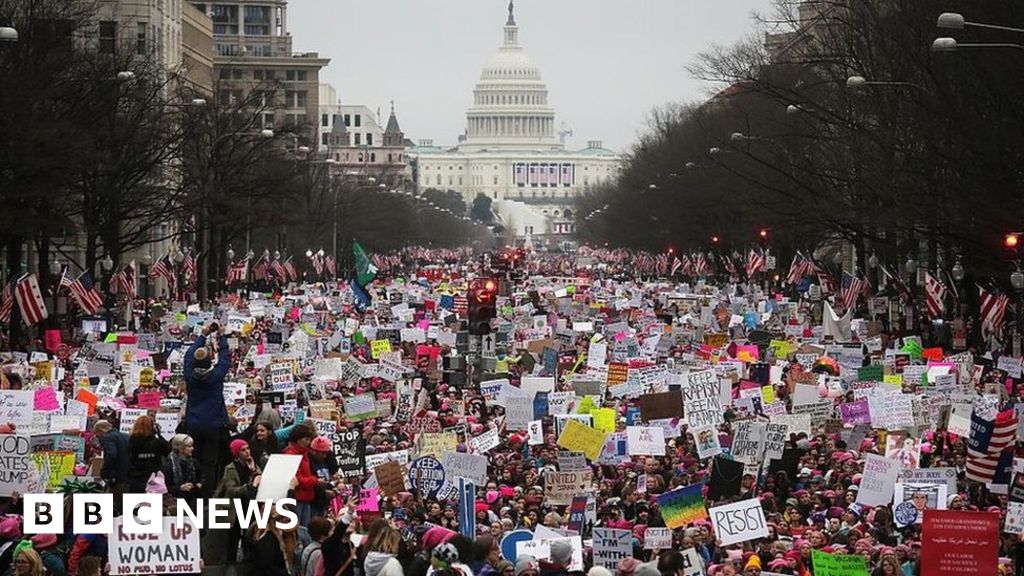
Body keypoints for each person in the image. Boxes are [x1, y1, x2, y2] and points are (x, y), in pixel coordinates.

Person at [184, 322, 232, 496]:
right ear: (209, 362)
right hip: (213, 424)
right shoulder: (216, 376)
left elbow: (188, 356)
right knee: (210, 463)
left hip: (194, 423)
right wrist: (222, 336)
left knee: (193, 458)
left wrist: (202, 335)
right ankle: (207, 492)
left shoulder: (189, 375)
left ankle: (193, 489)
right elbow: (225, 359)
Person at [206, 439, 263, 567]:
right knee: (234, 537)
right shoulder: (231, 468)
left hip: (250, 506)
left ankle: (248, 562)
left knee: (250, 536)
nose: (247, 452)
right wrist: (249, 486)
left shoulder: (253, 465)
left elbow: (260, 480)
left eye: (248, 448)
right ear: (237, 453)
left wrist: (253, 470)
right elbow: (231, 490)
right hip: (235, 508)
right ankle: (230, 564)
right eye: (243, 450)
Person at [282, 424, 319, 526]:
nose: (308, 442)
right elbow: (296, 479)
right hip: (297, 497)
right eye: (306, 439)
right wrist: (315, 480)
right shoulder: (290, 455)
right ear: (298, 440)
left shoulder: (304, 453)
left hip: (305, 496)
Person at [128, 415, 170, 493]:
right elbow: (168, 452)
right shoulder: (157, 442)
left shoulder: (130, 441)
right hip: (153, 479)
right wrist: (159, 435)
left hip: (135, 477)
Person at [164, 434, 203, 507]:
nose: (192, 448)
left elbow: (201, 477)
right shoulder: (169, 465)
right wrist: (180, 488)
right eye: (189, 446)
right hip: (175, 501)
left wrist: (199, 484)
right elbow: (165, 486)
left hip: (193, 499)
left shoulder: (194, 462)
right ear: (180, 448)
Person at [93, 420, 130, 497]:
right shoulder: (126, 436)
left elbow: (111, 455)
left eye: (97, 435)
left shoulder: (108, 437)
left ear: (101, 431)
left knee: (112, 501)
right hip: (129, 476)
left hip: (117, 477)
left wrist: (104, 473)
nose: (98, 437)